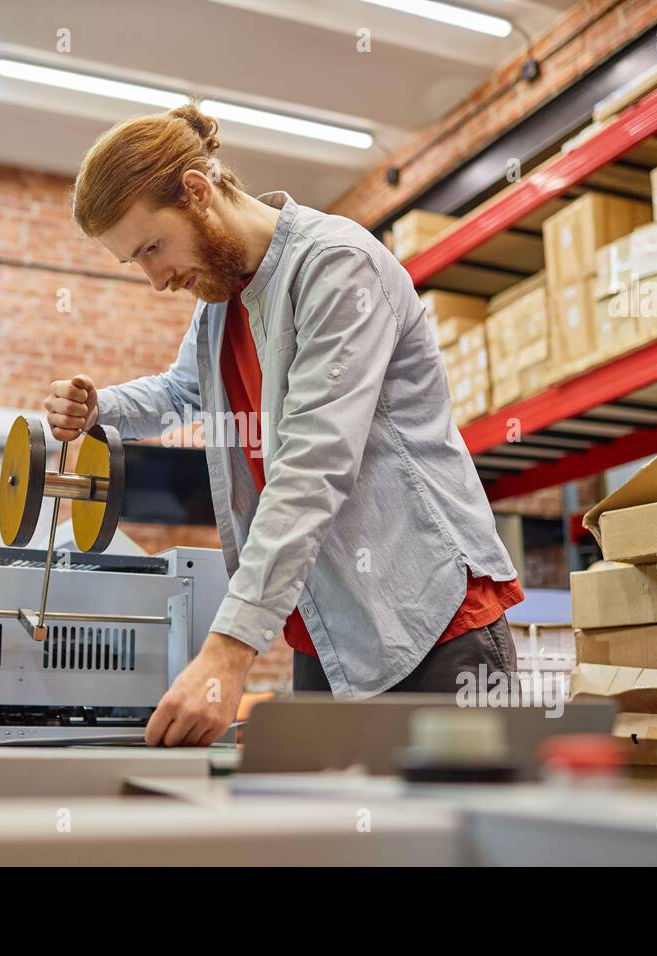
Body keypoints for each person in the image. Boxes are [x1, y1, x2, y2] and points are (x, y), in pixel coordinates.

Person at [44, 104, 520, 747]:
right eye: (138, 263)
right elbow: (185, 389)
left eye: (152, 247)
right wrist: (101, 408)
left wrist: (227, 650)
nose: (156, 280)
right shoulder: (222, 300)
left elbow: (313, 463)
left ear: (197, 190)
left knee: (453, 841)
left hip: (433, 622)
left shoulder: (336, 266)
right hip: (332, 630)